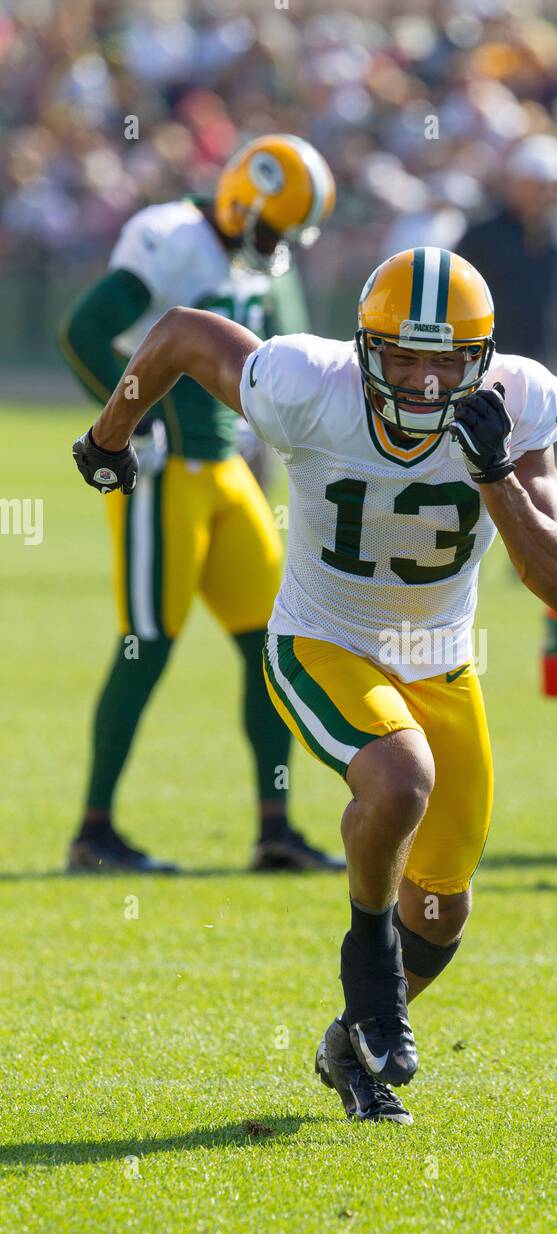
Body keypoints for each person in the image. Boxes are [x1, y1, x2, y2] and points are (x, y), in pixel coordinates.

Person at [70, 245, 557, 1123]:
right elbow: (185, 335)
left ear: (482, 359)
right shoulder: (310, 383)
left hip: (441, 662)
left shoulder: (521, 401)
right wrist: (109, 435)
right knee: (399, 777)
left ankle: (352, 1041)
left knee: (445, 905)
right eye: (405, 357)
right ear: (365, 348)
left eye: (446, 359)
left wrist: (495, 473)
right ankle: (371, 976)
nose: (424, 382)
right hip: (322, 640)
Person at [58, 134, 343, 874]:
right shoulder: (171, 237)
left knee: (272, 647)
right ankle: (94, 832)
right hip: (161, 474)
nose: (278, 244)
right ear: (242, 198)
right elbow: (83, 331)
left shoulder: (256, 258)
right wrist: (130, 426)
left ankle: (274, 828)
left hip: (227, 472)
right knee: (146, 643)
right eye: (274, 226)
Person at [456, 134, 557, 381]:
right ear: (516, 183)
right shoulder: (481, 237)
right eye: (538, 186)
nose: (547, 195)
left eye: (554, 187)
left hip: (552, 373)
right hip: (485, 370)